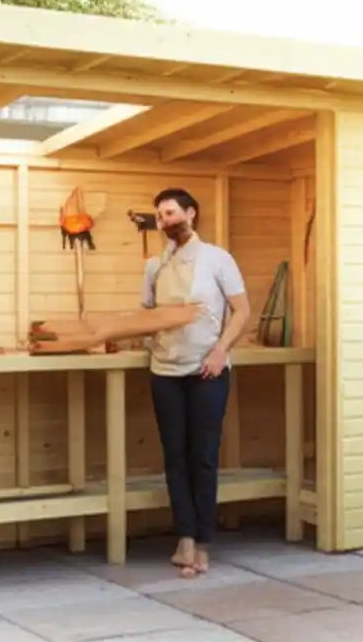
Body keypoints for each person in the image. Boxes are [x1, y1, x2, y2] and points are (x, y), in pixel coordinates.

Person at [141, 187, 250, 578]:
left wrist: (221, 351)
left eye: (170, 213)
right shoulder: (155, 266)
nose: (164, 221)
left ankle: (203, 543)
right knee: (175, 457)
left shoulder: (217, 259)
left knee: (203, 457)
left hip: (208, 371)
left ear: (192, 213)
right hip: (165, 372)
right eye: (159, 216)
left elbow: (242, 311)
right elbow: (150, 317)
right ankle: (184, 538)